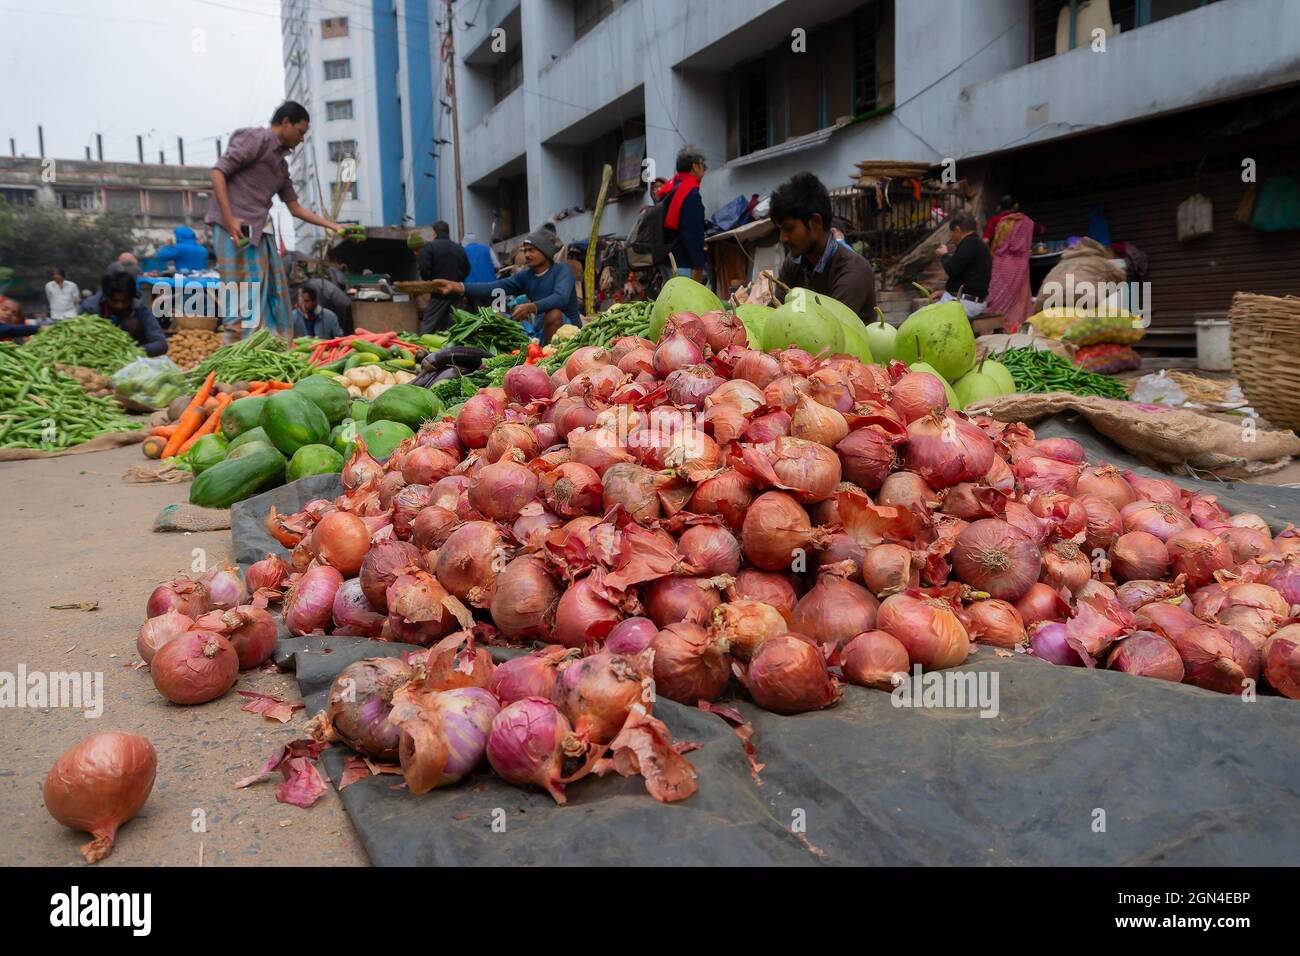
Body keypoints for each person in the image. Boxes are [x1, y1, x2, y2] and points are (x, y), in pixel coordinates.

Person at [205, 101, 344, 341]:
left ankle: (268, 350)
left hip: (258, 231)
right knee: (241, 297)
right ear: (286, 122)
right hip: (234, 230)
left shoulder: (280, 165)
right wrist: (230, 219)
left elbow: (295, 207)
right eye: (300, 132)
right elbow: (218, 172)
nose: (301, 139)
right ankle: (237, 353)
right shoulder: (256, 139)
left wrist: (334, 226)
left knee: (271, 295)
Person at [430, 229, 579, 343]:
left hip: (569, 329)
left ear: (545, 252)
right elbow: (495, 287)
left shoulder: (562, 270)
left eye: (531, 250)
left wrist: (530, 307)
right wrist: (459, 286)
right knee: (498, 315)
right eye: (525, 250)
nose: (527, 255)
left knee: (553, 314)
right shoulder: (526, 275)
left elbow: (561, 298)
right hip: (541, 330)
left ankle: (550, 354)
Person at [771, 171, 877, 320]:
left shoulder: (853, 271)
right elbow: (775, 316)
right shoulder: (793, 264)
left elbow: (831, 332)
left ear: (815, 222)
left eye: (789, 228)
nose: (783, 238)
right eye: (780, 230)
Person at [985, 203, 1039, 333]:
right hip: (1021, 264)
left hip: (1002, 263)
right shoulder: (1027, 222)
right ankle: (1018, 329)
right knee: (1021, 298)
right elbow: (1041, 229)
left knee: (998, 299)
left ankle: (997, 329)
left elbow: (987, 240)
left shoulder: (1000, 222)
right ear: (1015, 206)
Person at [657, 146, 707, 281]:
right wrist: (698, 266)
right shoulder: (690, 192)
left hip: (666, 260)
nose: (704, 170)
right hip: (683, 263)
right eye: (703, 165)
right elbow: (692, 233)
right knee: (686, 302)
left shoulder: (670, 188)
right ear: (695, 167)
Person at [415, 220, 470, 334]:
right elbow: (467, 268)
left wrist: (431, 282)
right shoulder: (459, 248)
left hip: (439, 292)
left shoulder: (430, 247)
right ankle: (453, 350)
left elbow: (424, 268)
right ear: (448, 232)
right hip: (456, 293)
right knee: (454, 327)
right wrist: (457, 282)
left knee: (429, 325)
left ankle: (420, 349)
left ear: (434, 233)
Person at [95, 271, 168, 356]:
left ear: (132, 297)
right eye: (114, 301)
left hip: (135, 355)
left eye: (124, 301)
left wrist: (131, 351)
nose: (119, 306)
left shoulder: (140, 309)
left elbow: (161, 344)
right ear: (106, 297)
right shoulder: (92, 308)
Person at [936, 212, 992, 319]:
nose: (951, 238)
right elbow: (968, 279)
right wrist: (944, 292)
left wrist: (944, 255)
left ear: (957, 230)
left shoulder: (969, 244)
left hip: (964, 304)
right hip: (967, 301)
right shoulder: (978, 244)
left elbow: (952, 269)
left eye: (951, 233)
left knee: (919, 318)